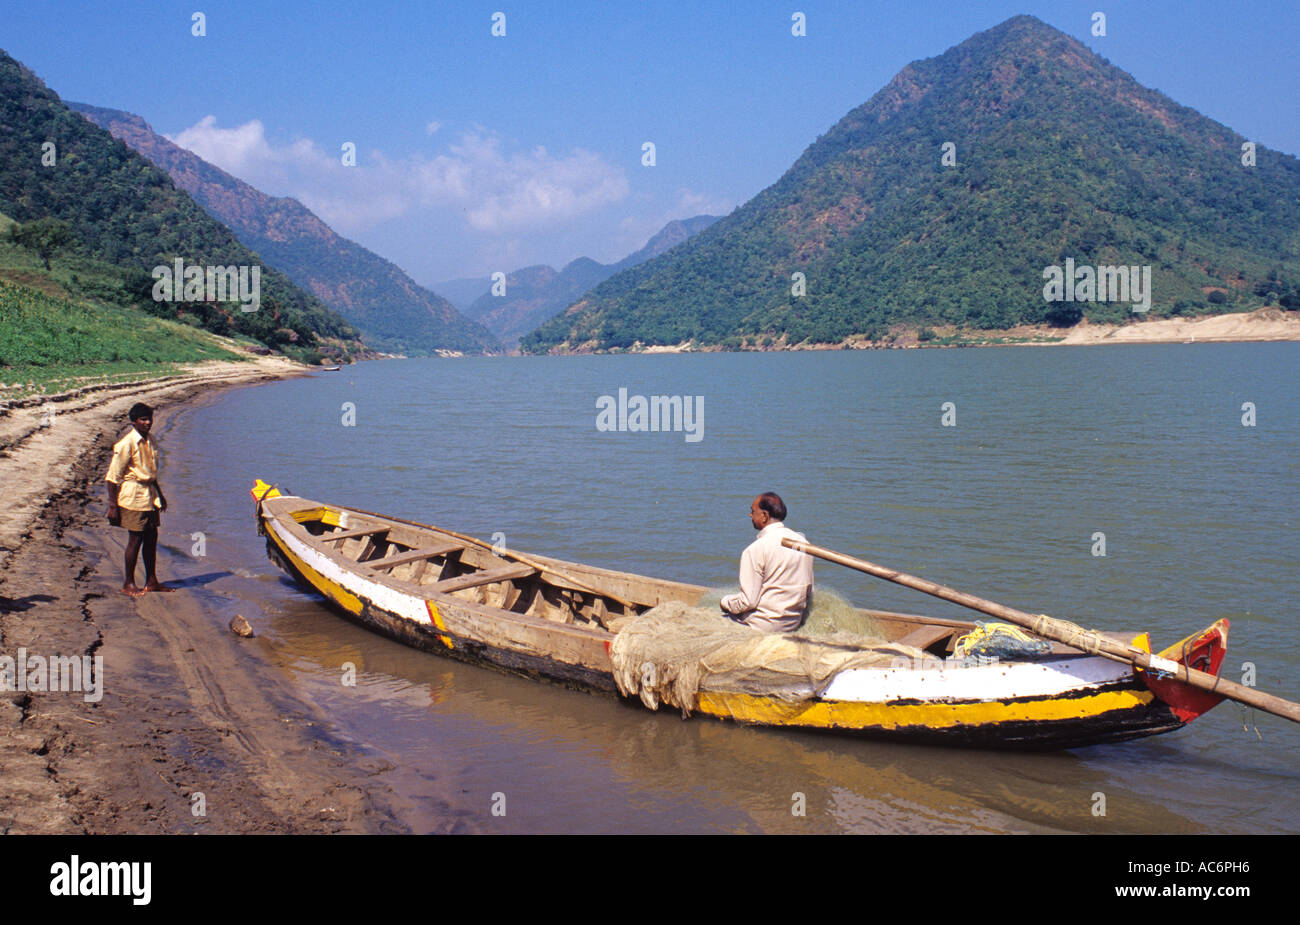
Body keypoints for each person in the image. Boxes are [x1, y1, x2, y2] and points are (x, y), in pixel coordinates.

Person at [105, 402, 174, 596]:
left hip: (149, 496)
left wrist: (160, 495)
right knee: (135, 540)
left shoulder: (151, 439)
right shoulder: (126, 444)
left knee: (152, 538)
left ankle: (151, 581)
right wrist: (113, 506)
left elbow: (150, 473)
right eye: (143, 419)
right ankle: (128, 583)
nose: (148, 423)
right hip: (133, 495)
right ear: (133, 422)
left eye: (149, 419)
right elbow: (112, 477)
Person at [719, 492, 814, 633]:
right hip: (792, 623)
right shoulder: (803, 543)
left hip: (761, 625)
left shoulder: (755, 550)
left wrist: (724, 602)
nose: (750, 515)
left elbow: (748, 601)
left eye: (752, 511)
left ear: (764, 516)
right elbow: (809, 592)